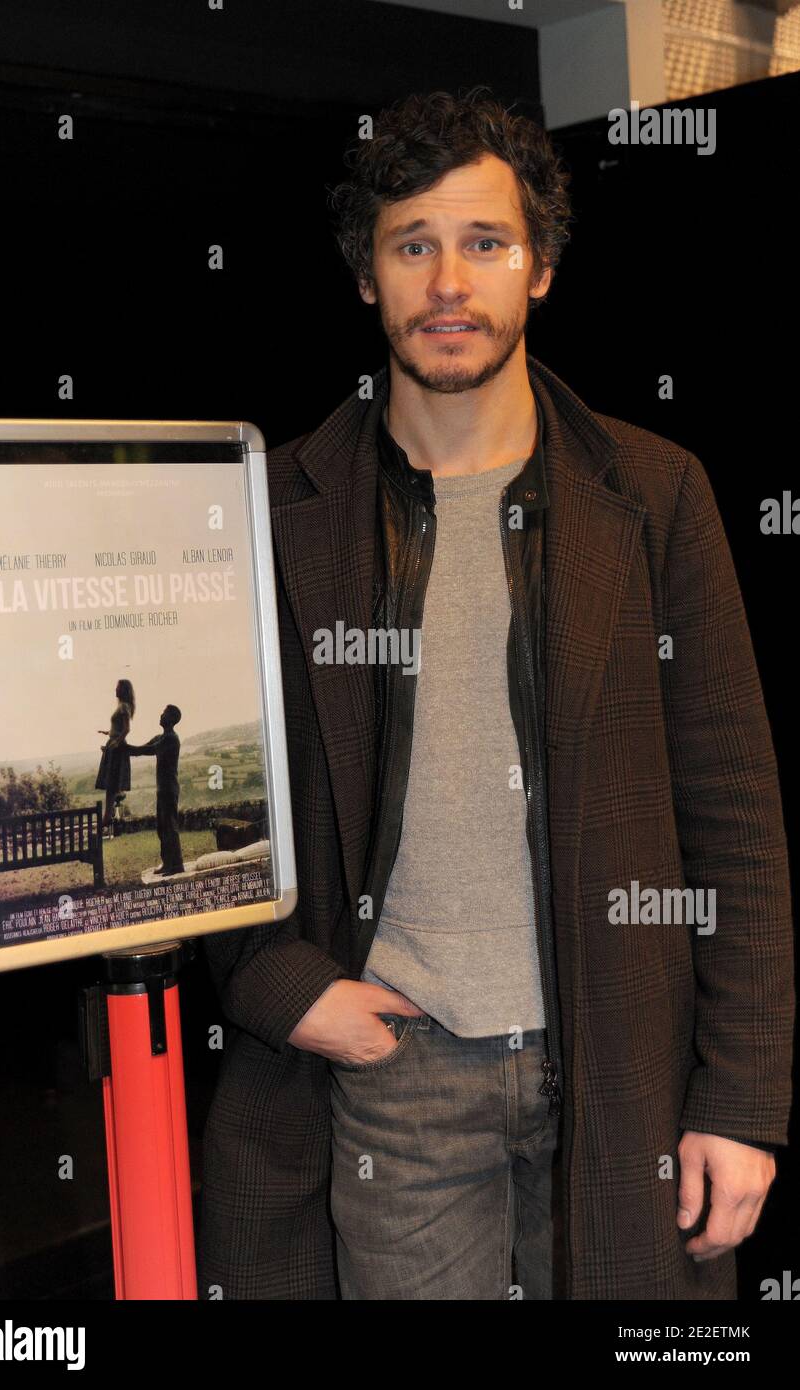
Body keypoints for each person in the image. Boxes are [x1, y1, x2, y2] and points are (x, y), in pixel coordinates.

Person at [198, 86, 794, 1301]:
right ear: (366, 276)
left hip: (622, 1064)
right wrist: (278, 985)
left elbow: (734, 815)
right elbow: (198, 800)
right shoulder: (269, 514)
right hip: (394, 1073)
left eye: (484, 243)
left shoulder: (656, 493)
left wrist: (740, 1096)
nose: (448, 282)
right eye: (410, 245)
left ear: (540, 270)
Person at [124, 705, 185, 876]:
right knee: (162, 827)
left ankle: (176, 865)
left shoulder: (170, 739)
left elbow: (147, 750)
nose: (161, 714)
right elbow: (140, 749)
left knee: (169, 827)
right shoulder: (162, 737)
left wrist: (122, 747)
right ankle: (168, 863)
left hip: (168, 788)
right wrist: (122, 747)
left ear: (171, 719)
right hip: (163, 789)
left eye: (164, 713)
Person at [95, 678, 135, 832]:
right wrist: (108, 733)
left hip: (116, 748)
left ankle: (106, 817)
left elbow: (126, 729)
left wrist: (116, 742)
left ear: (123, 690)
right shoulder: (122, 706)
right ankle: (107, 815)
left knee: (112, 784)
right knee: (111, 784)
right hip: (113, 745)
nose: (115, 690)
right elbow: (119, 729)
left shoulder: (124, 706)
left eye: (117, 687)